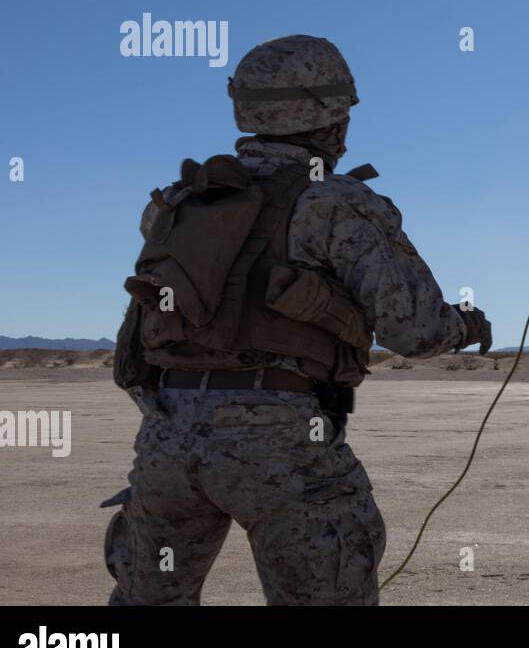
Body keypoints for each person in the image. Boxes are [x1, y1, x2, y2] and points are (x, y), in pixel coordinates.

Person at [102, 34, 492, 605]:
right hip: (279, 436)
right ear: (333, 120)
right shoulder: (336, 202)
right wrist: (467, 324)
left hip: (166, 433)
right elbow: (416, 331)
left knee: (148, 599)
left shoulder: (183, 200)